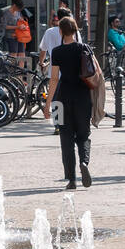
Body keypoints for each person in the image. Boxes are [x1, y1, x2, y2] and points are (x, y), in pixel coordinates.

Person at [46, 16, 95, 190]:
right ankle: (84, 162)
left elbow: (53, 79)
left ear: (60, 31)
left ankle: (71, 179)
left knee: (65, 139)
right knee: (83, 135)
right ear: (75, 31)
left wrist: (48, 103)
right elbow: (93, 73)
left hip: (61, 97)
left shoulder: (57, 52)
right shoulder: (84, 48)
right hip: (82, 96)